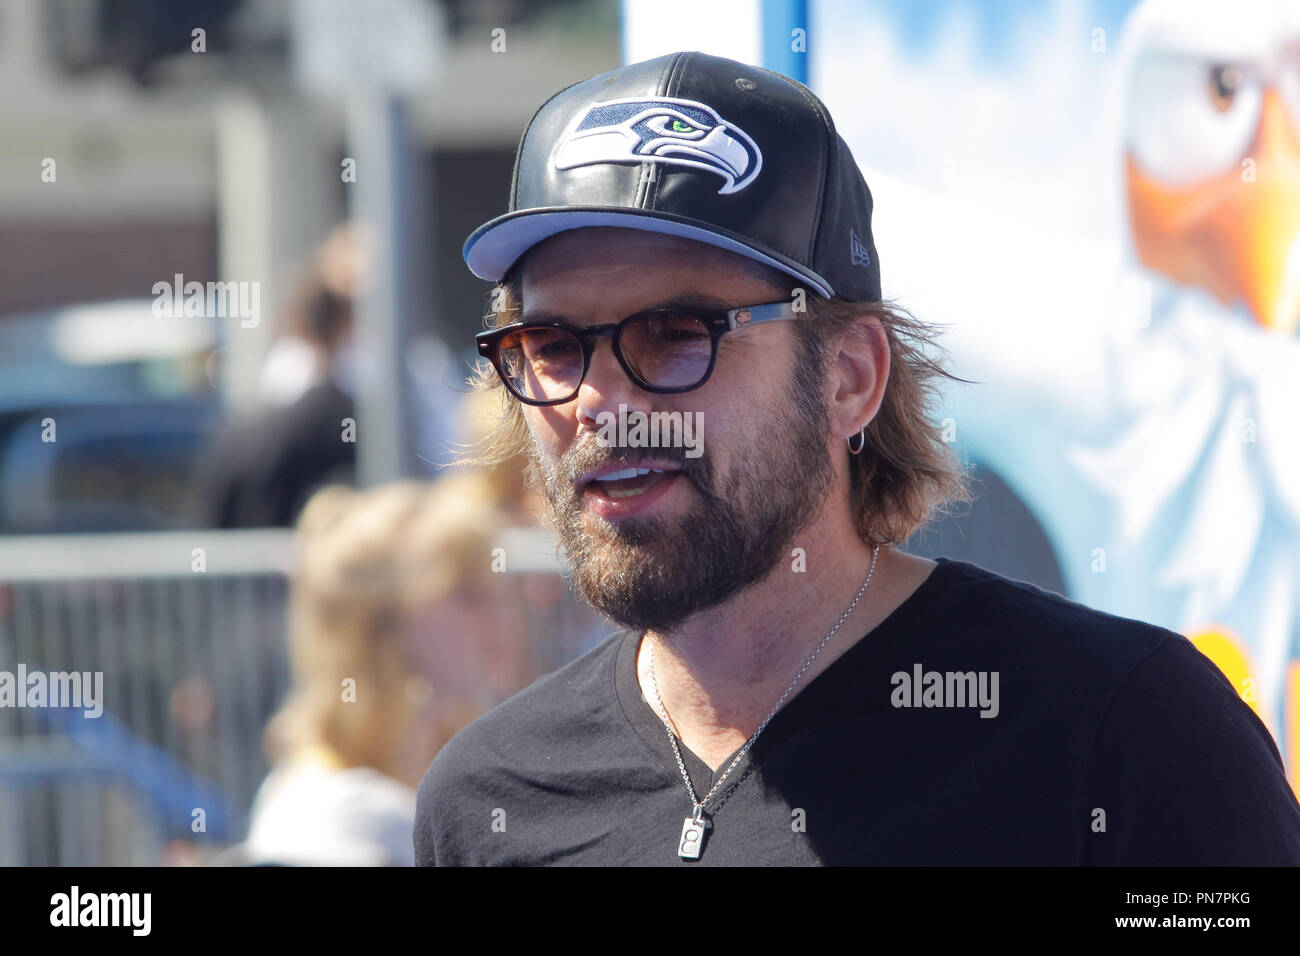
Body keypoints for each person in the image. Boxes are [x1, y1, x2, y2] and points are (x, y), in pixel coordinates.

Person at [414, 51, 1300, 865]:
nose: (600, 402)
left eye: (677, 334)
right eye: (554, 345)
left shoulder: (1127, 735)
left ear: (850, 377)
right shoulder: (489, 799)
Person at [234, 475, 535, 866]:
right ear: (384, 623)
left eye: (499, 591)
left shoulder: (462, 773)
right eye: (468, 595)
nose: (502, 616)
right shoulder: (325, 814)